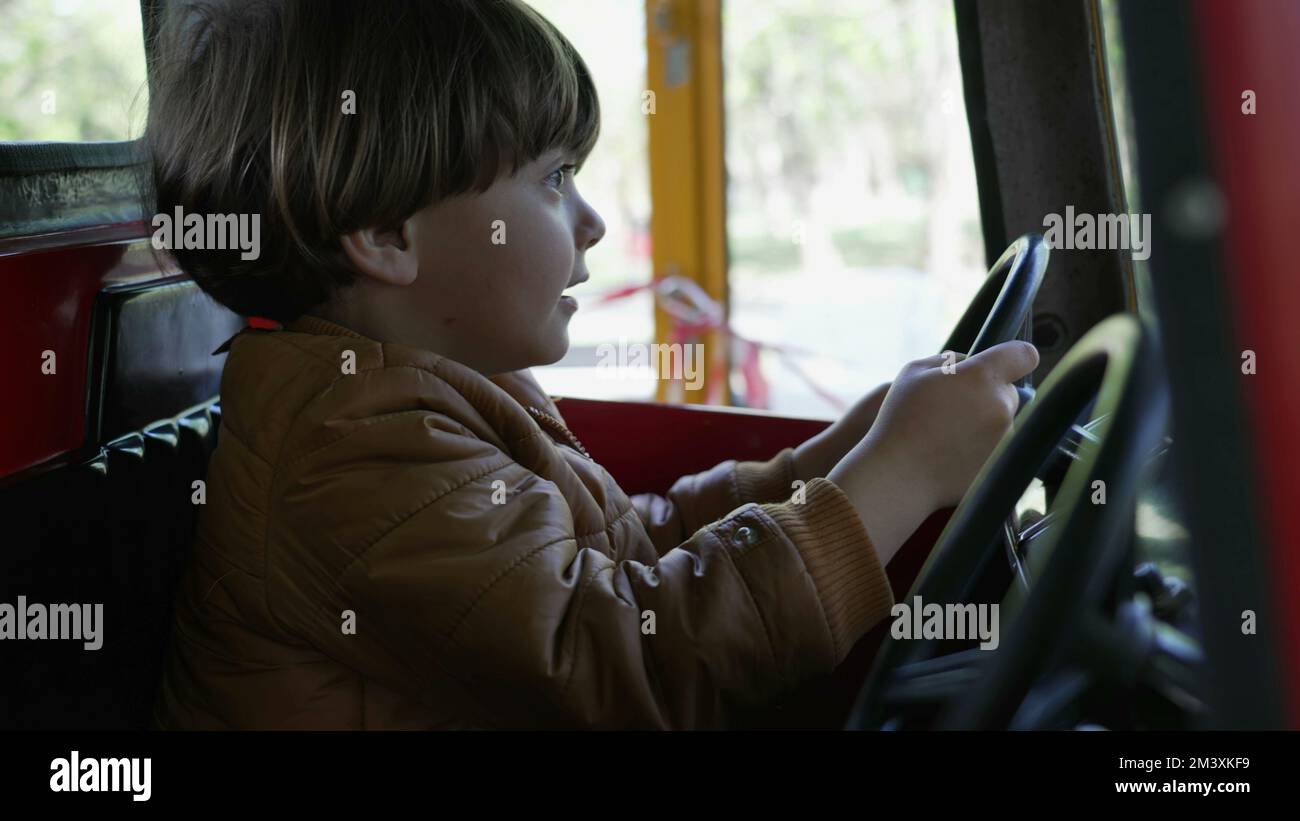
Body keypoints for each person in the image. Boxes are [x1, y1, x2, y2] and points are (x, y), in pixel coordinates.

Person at [146, 0, 1038, 729]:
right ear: (385, 237)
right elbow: (631, 668)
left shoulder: (446, 382)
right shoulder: (347, 448)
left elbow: (628, 552)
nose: (593, 221)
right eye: (552, 178)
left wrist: (825, 463)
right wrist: (899, 473)